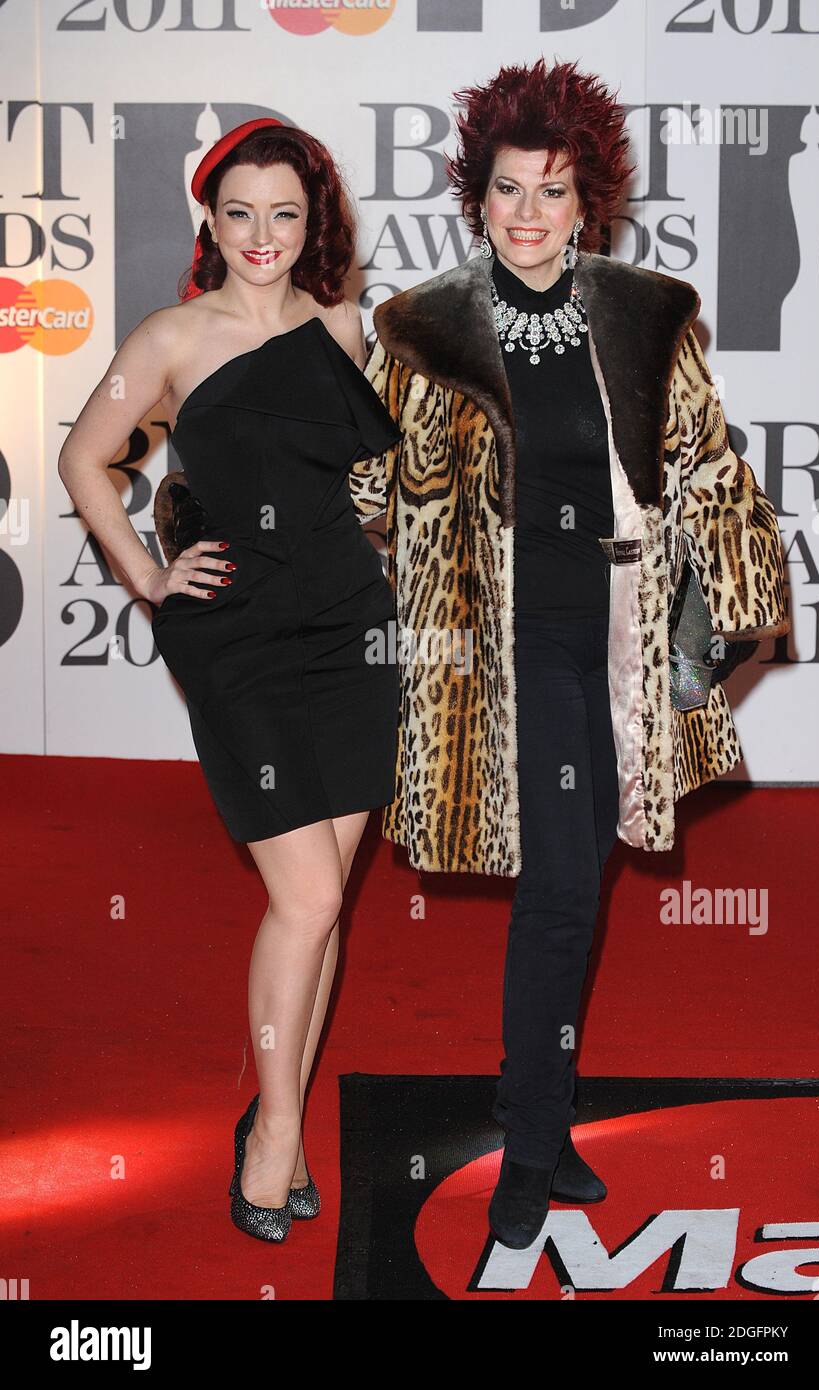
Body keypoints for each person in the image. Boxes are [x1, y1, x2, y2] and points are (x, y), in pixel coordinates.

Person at [350, 58, 790, 1248]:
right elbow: (381, 485)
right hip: (508, 657)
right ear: (475, 197)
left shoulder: (645, 312)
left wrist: (740, 600)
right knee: (555, 893)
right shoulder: (427, 327)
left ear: (588, 197)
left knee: (578, 891)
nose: (530, 214)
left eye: (552, 190)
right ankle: (531, 1147)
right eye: (507, 191)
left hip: (628, 644)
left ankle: (535, 1110)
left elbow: (703, 462)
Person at [57, 118, 403, 1244]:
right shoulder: (171, 335)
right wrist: (151, 579)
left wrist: (384, 533)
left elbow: (374, 483)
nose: (262, 235)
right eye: (240, 211)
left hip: (351, 627)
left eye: (285, 214)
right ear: (210, 216)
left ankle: (277, 1110)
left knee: (318, 907)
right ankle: (276, 1138)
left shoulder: (344, 326)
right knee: (303, 899)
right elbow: (81, 458)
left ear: (315, 225)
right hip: (238, 636)